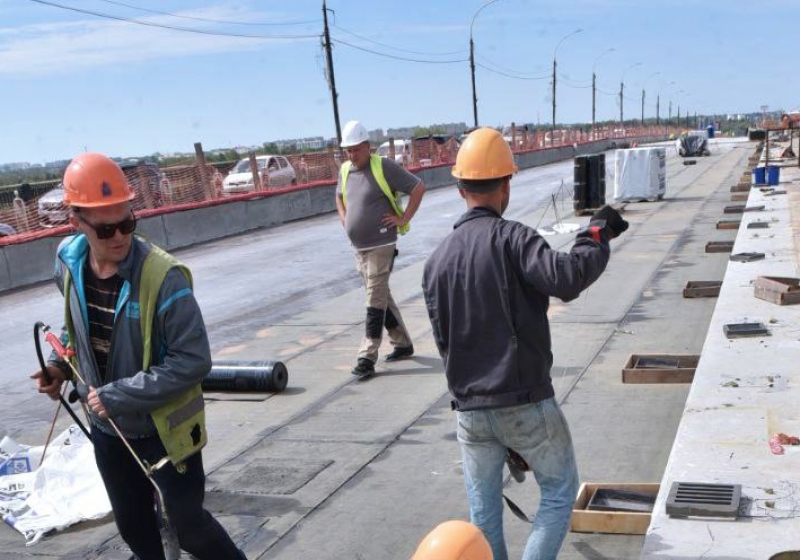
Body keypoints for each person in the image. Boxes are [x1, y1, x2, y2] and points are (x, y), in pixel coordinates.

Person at [421, 128, 628, 560]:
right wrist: (595, 234)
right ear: (506, 184)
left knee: (484, 513)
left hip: (470, 412)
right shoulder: (514, 238)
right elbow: (566, 278)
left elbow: (446, 343)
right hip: (523, 401)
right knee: (558, 490)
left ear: (460, 188)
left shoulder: (436, 261)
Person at [31, 152, 247, 560]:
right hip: (109, 432)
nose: (119, 236)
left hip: (164, 432)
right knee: (135, 529)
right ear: (76, 222)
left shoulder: (164, 278)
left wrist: (118, 396)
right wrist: (61, 366)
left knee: (189, 527)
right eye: (106, 227)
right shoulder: (68, 262)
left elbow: (193, 360)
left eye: (127, 223)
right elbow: (76, 327)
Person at [335, 120, 426, 378]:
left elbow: (418, 188)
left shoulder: (383, 166)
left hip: (382, 244)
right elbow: (339, 196)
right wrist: (344, 217)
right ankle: (403, 343)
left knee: (374, 299)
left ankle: (366, 356)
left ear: (367, 146)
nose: (352, 155)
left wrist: (404, 218)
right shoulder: (345, 170)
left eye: (356, 149)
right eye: (348, 150)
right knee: (381, 296)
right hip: (359, 248)